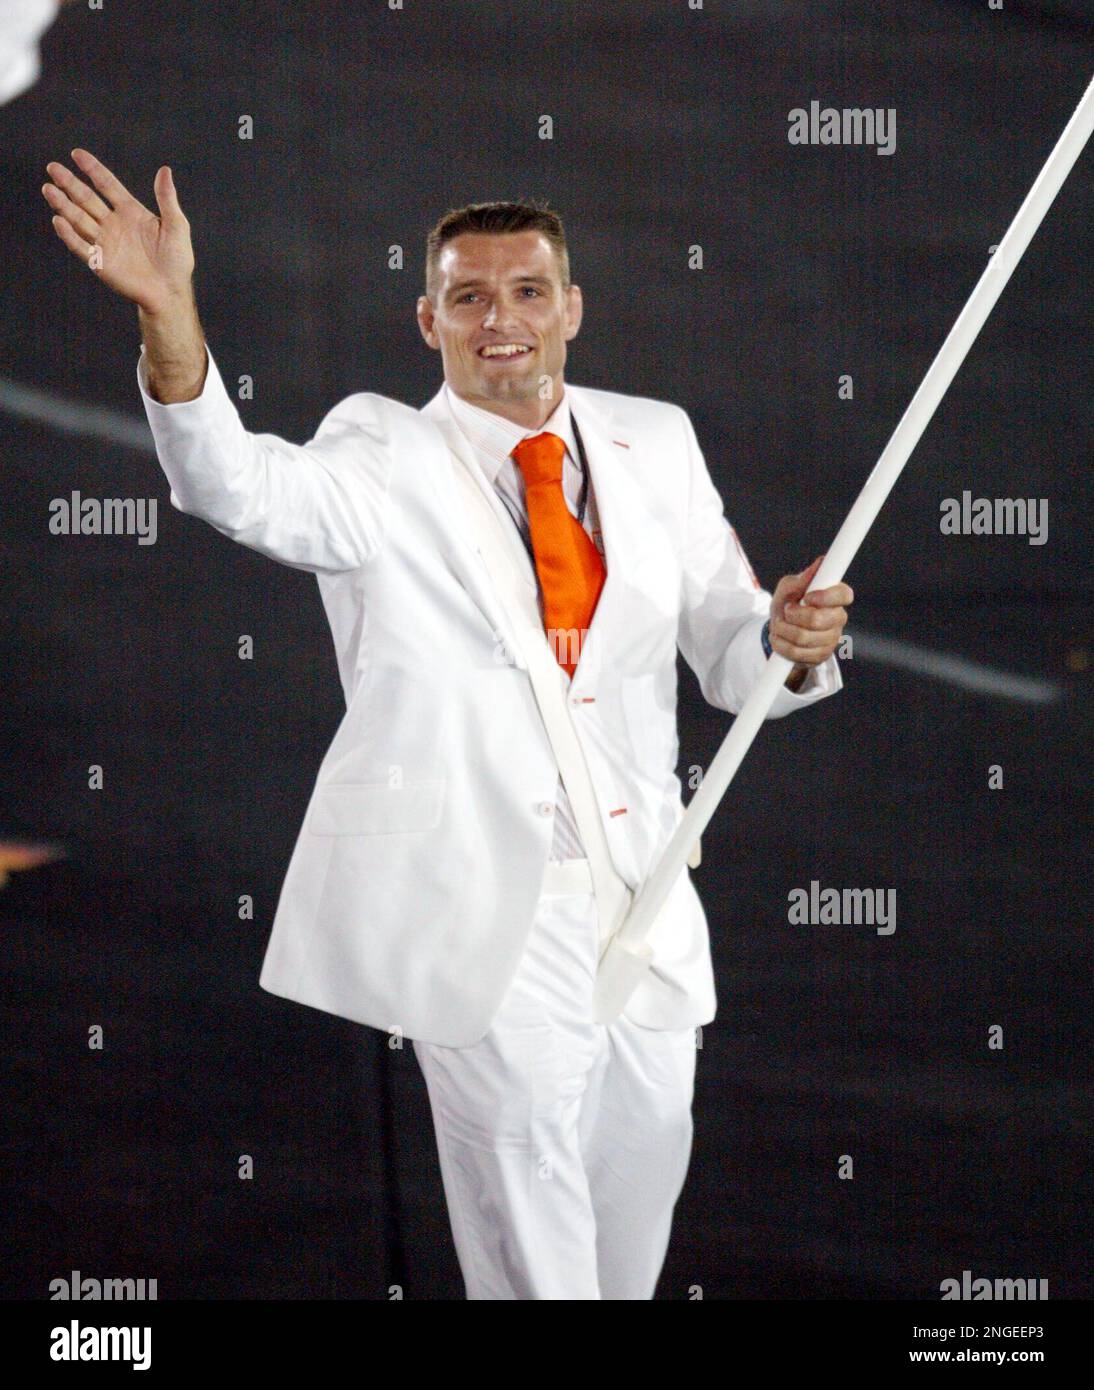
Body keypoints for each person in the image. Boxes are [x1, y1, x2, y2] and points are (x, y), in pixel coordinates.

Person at [42, 151, 853, 1300]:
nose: (500, 319)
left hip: (647, 894)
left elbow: (731, 653)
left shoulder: (653, 440)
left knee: (630, 1217)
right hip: (483, 910)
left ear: (570, 308)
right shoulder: (379, 450)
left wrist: (787, 638)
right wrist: (171, 314)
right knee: (528, 1221)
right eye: (467, 296)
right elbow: (234, 484)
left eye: (527, 291)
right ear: (428, 321)